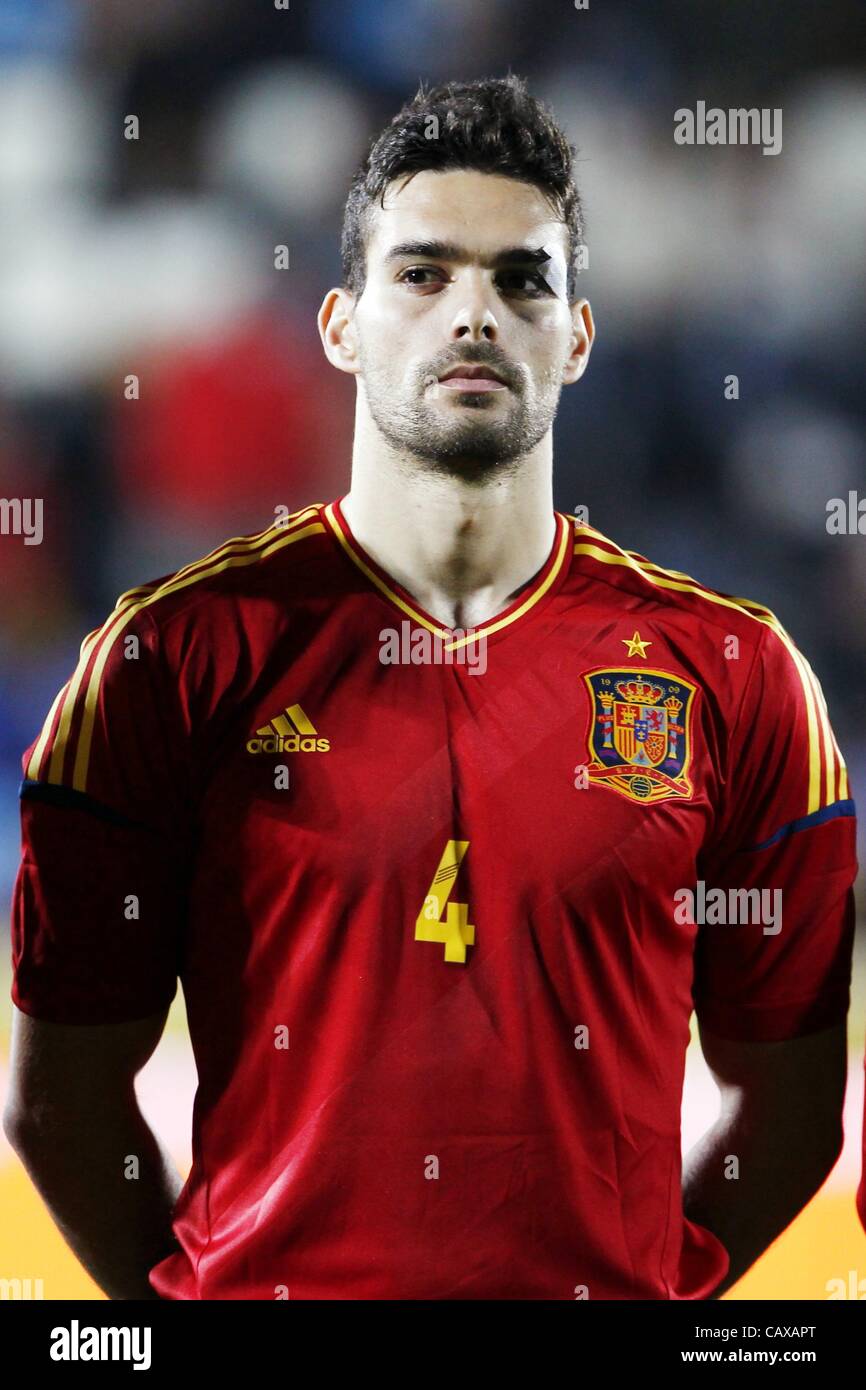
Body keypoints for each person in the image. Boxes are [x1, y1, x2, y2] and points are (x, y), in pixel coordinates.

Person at [3, 75, 858, 1301]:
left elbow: (789, 1109)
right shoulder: (168, 660)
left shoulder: (734, 672)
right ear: (341, 325)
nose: (473, 314)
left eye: (520, 278)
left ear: (575, 335)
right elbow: (61, 1102)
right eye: (422, 273)